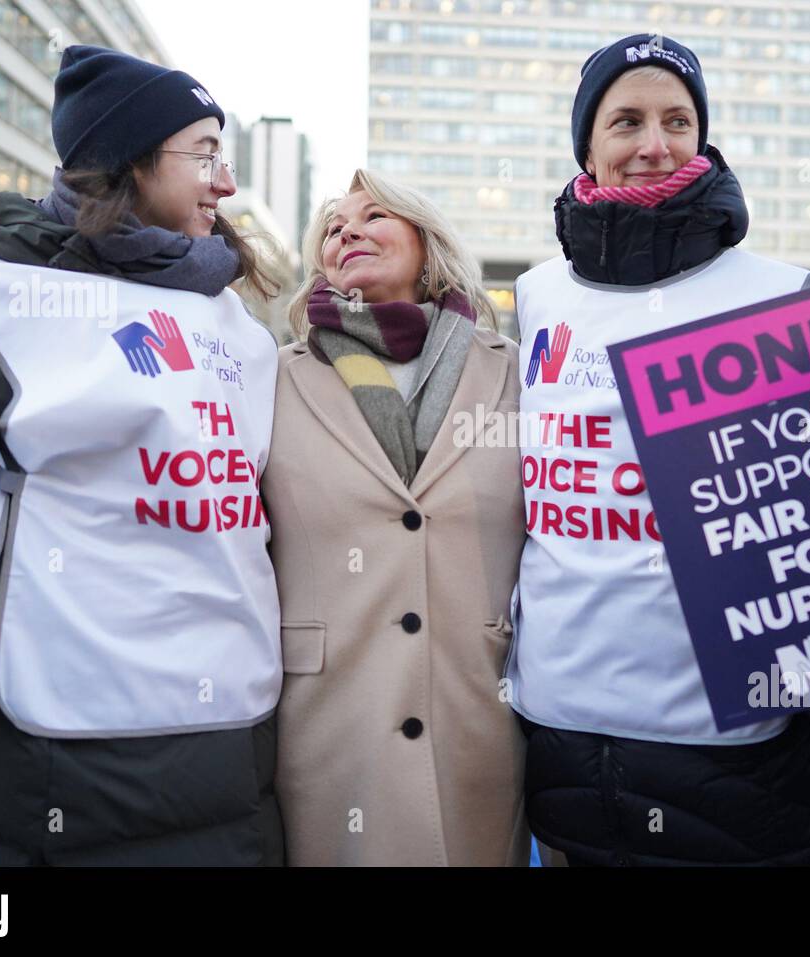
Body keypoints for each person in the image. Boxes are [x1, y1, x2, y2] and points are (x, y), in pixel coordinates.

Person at [0, 45, 285, 865]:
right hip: (41, 762)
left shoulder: (243, 330)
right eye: (203, 154)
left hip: (232, 764)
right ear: (124, 161)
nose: (227, 183)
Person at [505, 33, 810, 867]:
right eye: (626, 121)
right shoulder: (537, 295)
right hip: (557, 741)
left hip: (734, 748)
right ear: (587, 143)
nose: (654, 145)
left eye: (677, 120)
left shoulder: (781, 295)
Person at [265, 170, 528, 866]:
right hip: (328, 725)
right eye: (331, 227)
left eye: (373, 214)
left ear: (427, 240)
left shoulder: (517, 375)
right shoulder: (273, 380)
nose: (346, 230)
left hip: (478, 720)